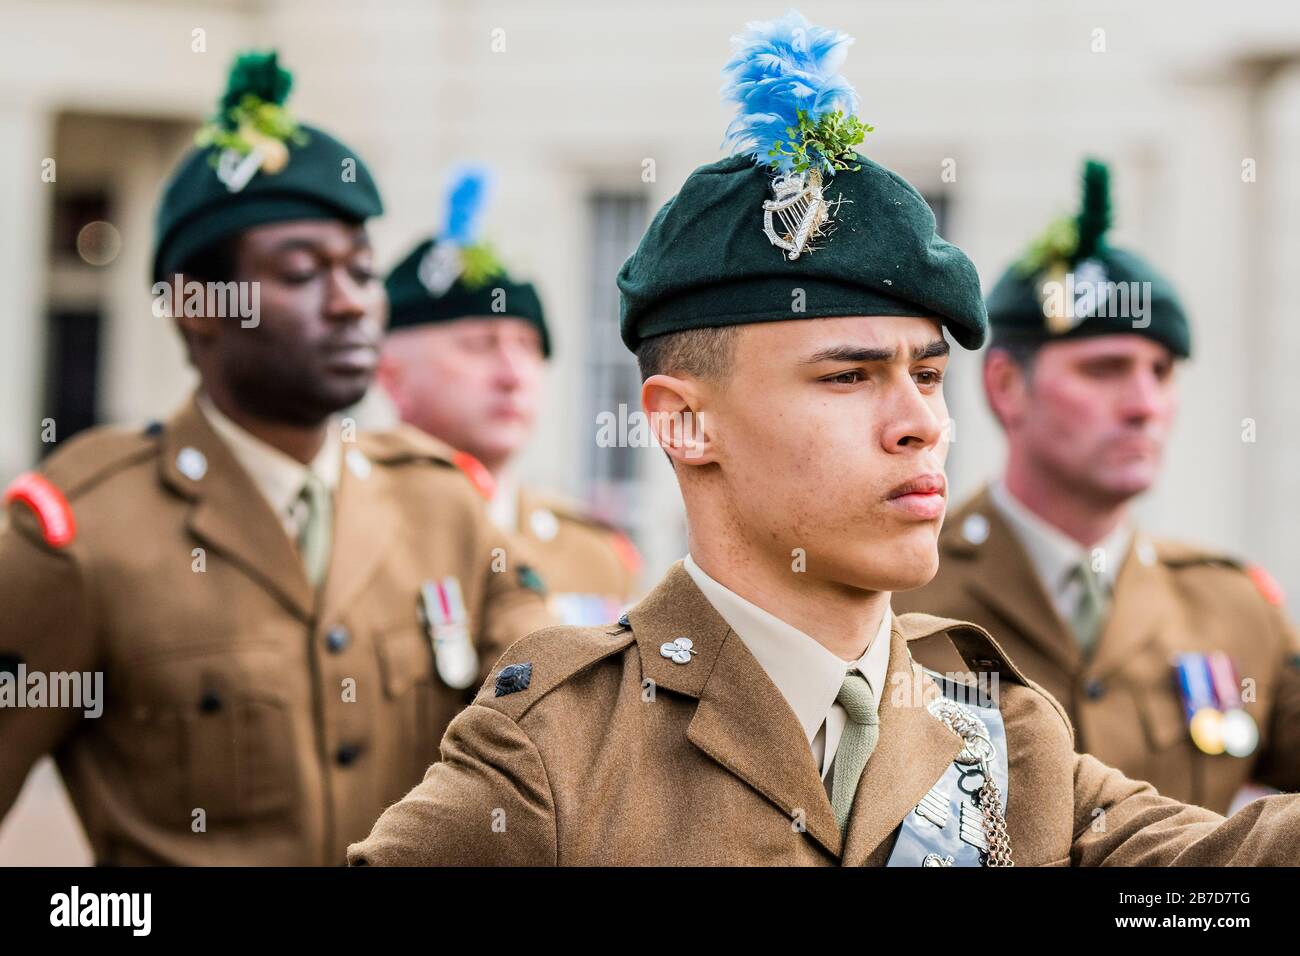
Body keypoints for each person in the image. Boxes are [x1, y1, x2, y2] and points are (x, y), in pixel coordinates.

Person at [348, 13, 1300, 866]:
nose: (922, 421)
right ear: (683, 421)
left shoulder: (1005, 734)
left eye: (926, 375)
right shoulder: (554, 749)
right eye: (849, 377)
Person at [0, 51, 550, 865]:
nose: (351, 300)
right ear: (196, 306)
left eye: (362, 270)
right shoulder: (80, 535)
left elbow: (561, 713)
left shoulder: (444, 506)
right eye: (302, 272)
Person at [894, 160, 1300, 814]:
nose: (1145, 404)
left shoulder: (1231, 605)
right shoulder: (899, 587)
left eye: (1161, 372)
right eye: (1105, 369)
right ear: (1006, 387)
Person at [377, 169, 641, 626]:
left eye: (527, 347)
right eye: (480, 344)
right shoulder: (352, 528)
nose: (513, 375)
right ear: (392, 376)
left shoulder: (594, 554)